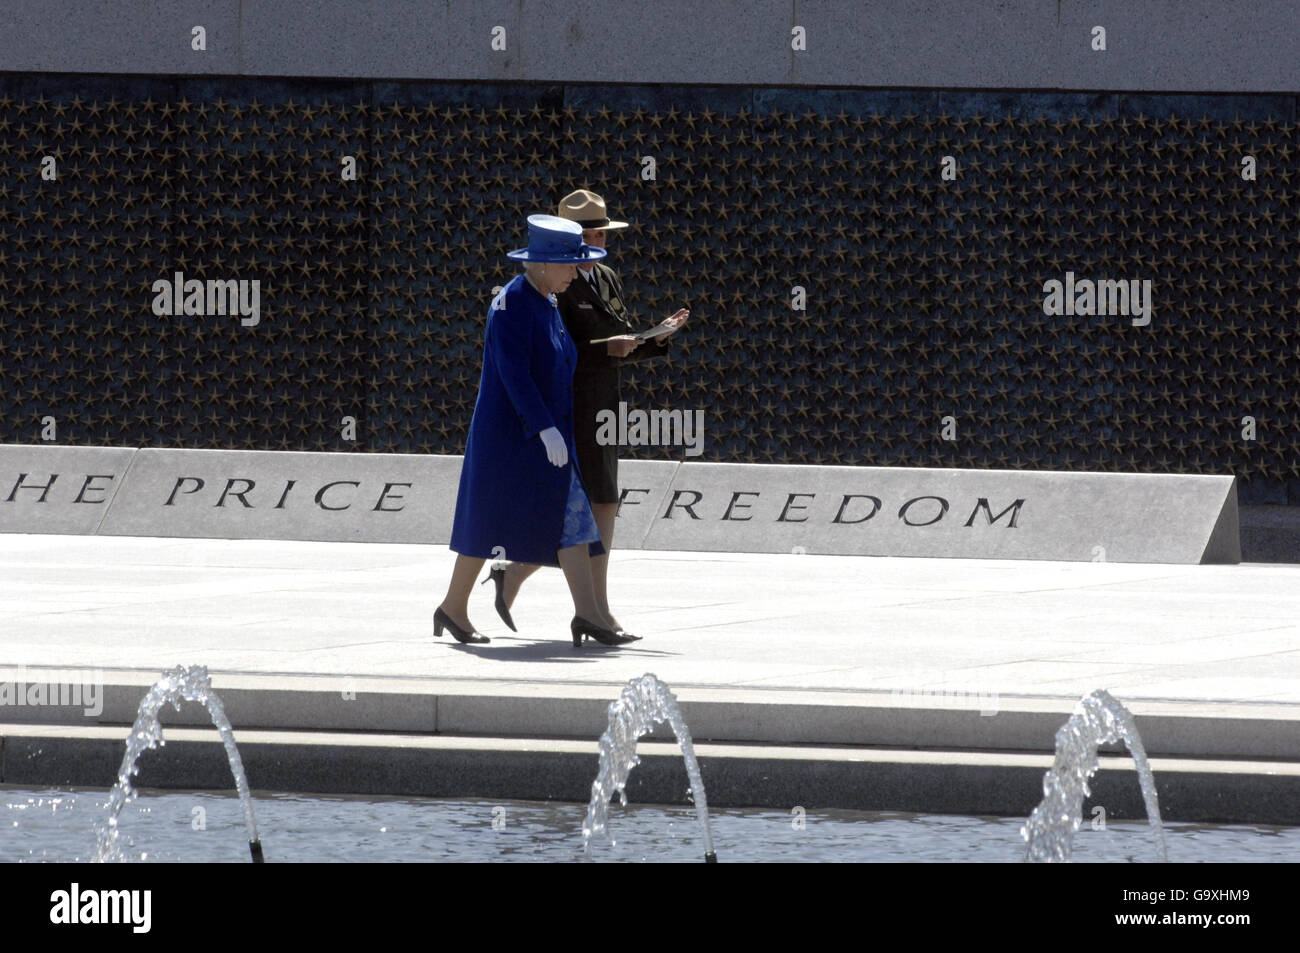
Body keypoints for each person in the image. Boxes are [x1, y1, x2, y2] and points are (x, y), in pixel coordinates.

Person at [482, 190, 688, 636]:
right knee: (589, 504)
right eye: (590, 235)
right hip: (571, 404)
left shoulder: (606, 277)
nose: (598, 245)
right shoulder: (557, 278)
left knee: (600, 503)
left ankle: (539, 584)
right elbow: (557, 350)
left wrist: (656, 337)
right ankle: (592, 610)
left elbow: (616, 339)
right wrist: (609, 349)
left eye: (602, 234)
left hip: (604, 402)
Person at [434, 214, 635, 648]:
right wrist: (544, 427)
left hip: (546, 435)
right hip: (511, 438)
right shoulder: (512, 303)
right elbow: (514, 374)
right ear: (543, 264)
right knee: (487, 522)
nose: (574, 273)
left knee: (574, 517)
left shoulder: (546, 300)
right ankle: (453, 607)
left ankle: (589, 615)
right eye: (569, 265)